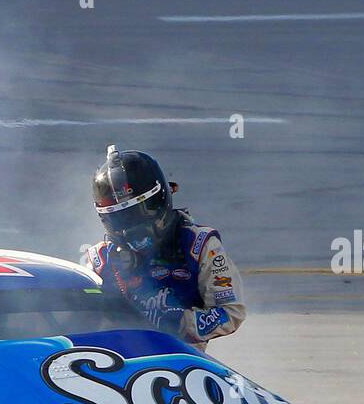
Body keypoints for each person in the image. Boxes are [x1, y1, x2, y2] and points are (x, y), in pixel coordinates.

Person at [87, 145, 245, 349]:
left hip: (180, 362)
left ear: (159, 199)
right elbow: (81, 318)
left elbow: (231, 311)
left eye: (136, 213)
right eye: (117, 217)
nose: (129, 226)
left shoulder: (199, 245)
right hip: (118, 363)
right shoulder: (100, 258)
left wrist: (181, 321)